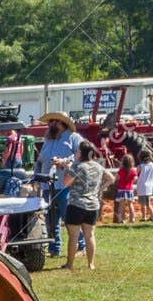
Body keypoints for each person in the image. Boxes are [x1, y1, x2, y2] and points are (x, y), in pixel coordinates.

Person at [33, 112, 85, 254]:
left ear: (62, 123)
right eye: (49, 122)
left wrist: (65, 162)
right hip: (47, 186)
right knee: (50, 219)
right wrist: (36, 175)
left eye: (53, 122)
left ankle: (81, 246)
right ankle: (54, 248)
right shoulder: (48, 140)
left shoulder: (73, 138)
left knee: (69, 218)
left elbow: (82, 156)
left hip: (65, 185)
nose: (50, 125)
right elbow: (40, 160)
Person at [62, 141, 107, 271]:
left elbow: (66, 182)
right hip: (93, 205)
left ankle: (70, 264)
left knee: (74, 236)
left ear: (81, 153)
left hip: (76, 204)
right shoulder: (98, 166)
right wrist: (100, 189)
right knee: (90, 235)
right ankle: (91, 264)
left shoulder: (78, 166)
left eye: (77, 151)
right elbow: (110, 177)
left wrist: (66, 168)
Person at [113, 153, 136, 223]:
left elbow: (116, 178)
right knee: (130, 205)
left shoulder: (121, 170)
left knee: (121, 205)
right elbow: (135, 179)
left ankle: (120, 219)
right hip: (129, 190)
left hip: (121, 190)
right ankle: (132, 219)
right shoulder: (133, 171)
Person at [135, 149, 153, 222]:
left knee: (143, 204)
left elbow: (136, 173)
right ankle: (152, 216)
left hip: (142, 186)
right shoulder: (152, 165)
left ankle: (144, 217)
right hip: (149, 186)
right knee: (148, 203)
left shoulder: (140, 166)